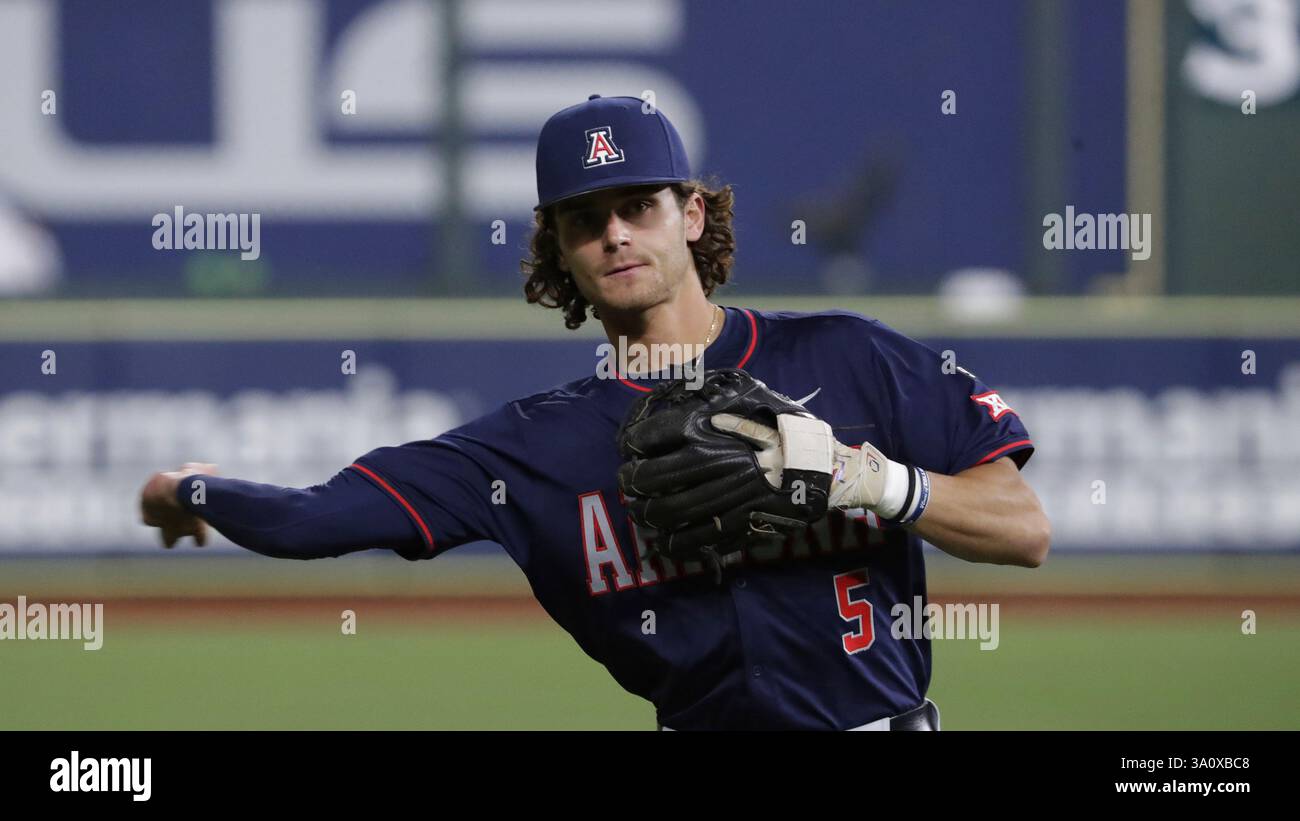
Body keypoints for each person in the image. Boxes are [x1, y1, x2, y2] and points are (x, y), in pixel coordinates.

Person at [141, 95, 1050, 730]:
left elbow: (1023, 528)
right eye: (586, 218)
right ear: (558, 250)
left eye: (638, 205)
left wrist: (870, 478)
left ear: (691, 215)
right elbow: (316, 520)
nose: (615, 232)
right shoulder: (532, 447)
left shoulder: (845, 357)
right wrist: (193, 489)